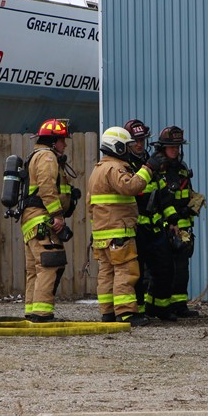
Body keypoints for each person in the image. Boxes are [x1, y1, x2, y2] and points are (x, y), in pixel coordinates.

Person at [86, 126, 157, 326]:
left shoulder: (97, 169)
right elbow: (131, 187)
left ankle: (107, 312)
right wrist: (148, 169)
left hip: (102, 235)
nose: (129, 149)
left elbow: (90, 205)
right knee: (125, 272)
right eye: (125, 146)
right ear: (116, 147)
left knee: (106, 274)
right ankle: (127, 313)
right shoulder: (116, 168)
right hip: (119, 231)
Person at [20, 118, 80, 322]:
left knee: (34, 269)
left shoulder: (36, 156)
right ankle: (42, 314)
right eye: (63, 140)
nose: (65, 144)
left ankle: (32, 310)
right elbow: (46, 187)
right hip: (43, 218)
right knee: (49, 264)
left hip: (32, 221)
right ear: (54, 141)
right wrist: (57, 215)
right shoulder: (47, 157)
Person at [144, 126, 202, 319]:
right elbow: (156, 200)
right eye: (171, 146)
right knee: (162, 269)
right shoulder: (155, 169)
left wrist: (193, 204)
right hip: (163, 226)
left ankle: (179, 305)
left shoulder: (182, 168)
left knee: (181, 269)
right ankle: (159, 307)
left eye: (177, 146)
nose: (175, 150)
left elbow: (186, 193)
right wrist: (169, 220)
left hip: (183, 226)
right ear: (162, 148)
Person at [123, 118, 157, 317]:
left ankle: (153, 308)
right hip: (134, 225)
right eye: (135, 140)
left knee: (159, 267)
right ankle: (139, 309)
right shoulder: (124, 164)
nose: (139, 144)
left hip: (153, 224)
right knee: (137, 271)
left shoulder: (149, 160)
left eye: (142, 140)